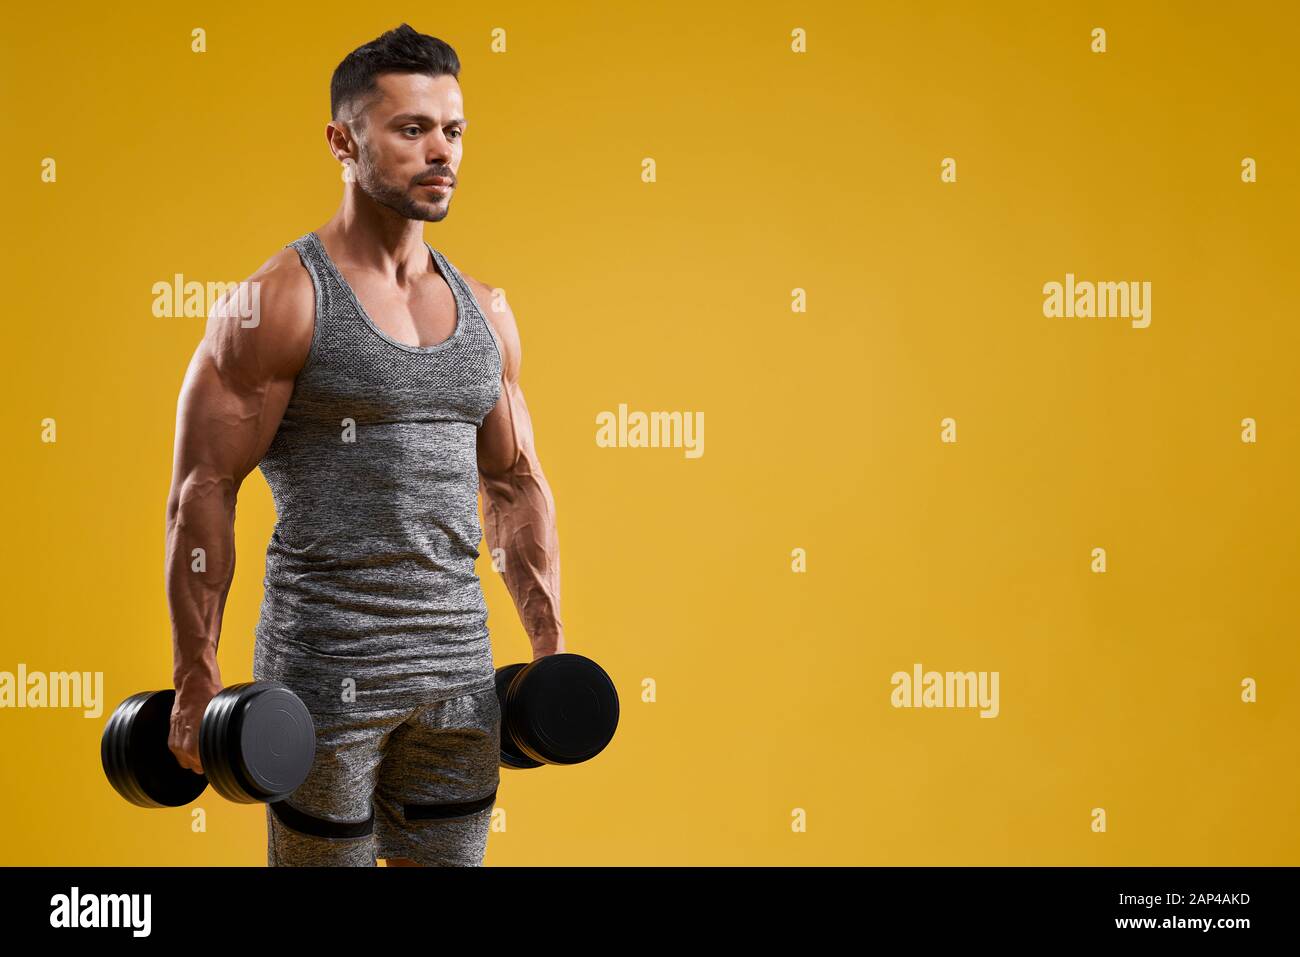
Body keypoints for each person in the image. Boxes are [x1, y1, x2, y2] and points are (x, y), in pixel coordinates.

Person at [162, 23, 563, 866]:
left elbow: (515, 483)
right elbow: (204, 489)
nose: (440, 151)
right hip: (323, 676)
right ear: (343, 140)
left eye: (452, 130)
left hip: (459, 675)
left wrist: (549, 649)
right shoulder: (278, 302)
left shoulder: (487, 310)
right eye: (411, 129)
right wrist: (196, 677)